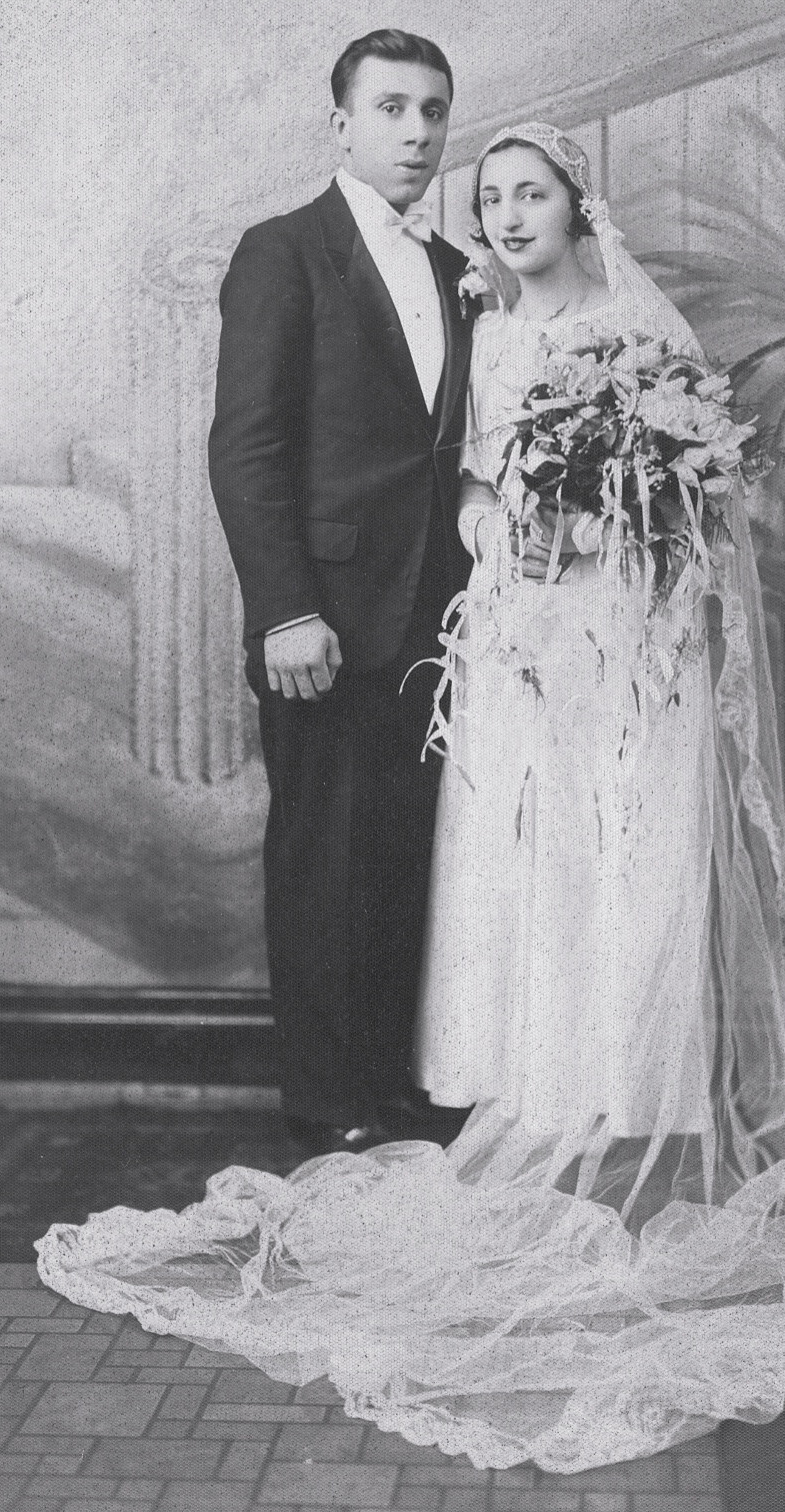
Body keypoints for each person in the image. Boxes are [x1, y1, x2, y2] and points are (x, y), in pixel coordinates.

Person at [37, 125, 785, 1473]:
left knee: (622, 847)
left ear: (573, 205)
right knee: (511, 851)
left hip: (621, 635)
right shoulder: (482, 325)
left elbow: (697, 506)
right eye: (488, 195)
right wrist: (507, 528)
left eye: (528, 193)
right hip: (510, 635)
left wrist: (615, 518)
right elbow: (468, 484)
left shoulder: (635, 328)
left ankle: (625, 1090)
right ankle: (514, 1080)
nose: (504, 214)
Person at [206, 30, 475, 1156]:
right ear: (342, 125)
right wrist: (285, 610)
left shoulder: (456, 269)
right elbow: (246, 447)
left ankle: (390, 1084)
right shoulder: (284, 252)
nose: (416, 133)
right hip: (321, 616)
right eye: (392, 109)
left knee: (406, 855)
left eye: (433, 112)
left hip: (438, 618)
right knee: (324, 858)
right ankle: (329, 1102)